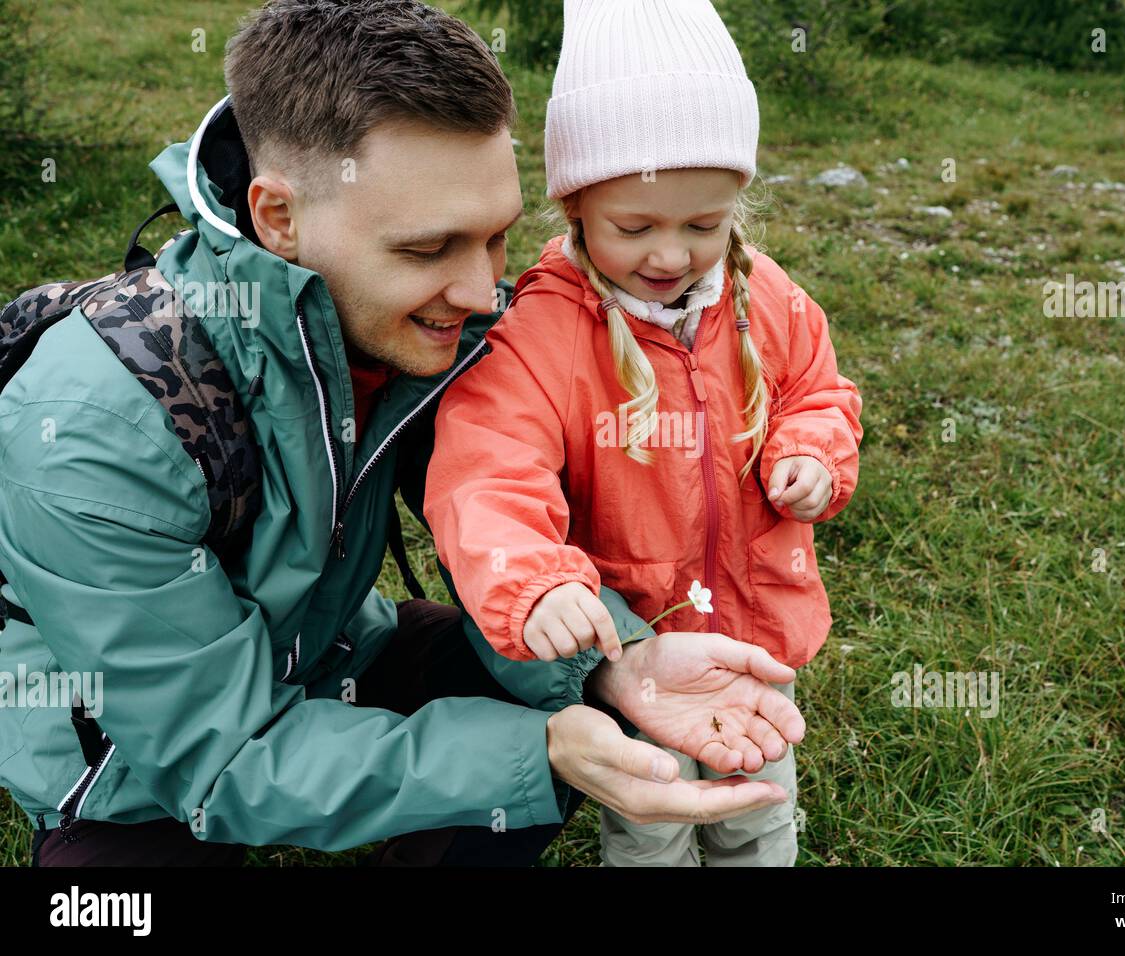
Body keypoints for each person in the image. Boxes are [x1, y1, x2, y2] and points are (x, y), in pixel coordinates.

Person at [0, 0, 804, 867]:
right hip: (137, 754)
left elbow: (489, 502)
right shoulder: (96, 427)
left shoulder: (423, 326)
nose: (477, 295)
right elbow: (218, 759)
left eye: (497, 239)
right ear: (278, 218)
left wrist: (617, 667)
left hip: (330, 650)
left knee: (577, 707)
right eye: (428, 250)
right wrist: (533, 755)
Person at [425, 0, 863, 866]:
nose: (670, 255)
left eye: (706, 226)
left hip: (756, 632)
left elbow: (819, 390)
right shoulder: (543, 330)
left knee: (757, 798)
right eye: (636, 227)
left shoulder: (766, 297)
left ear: (737, 201)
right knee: (655, 813)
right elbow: (486, 470)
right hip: (644, 649)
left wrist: (808, 450)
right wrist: (535, 583)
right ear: (578, 203)